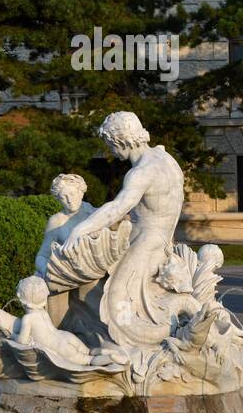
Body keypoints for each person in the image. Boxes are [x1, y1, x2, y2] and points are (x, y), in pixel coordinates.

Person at [61, 112, 186, 347]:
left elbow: (118, 208)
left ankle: (129, 354)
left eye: (110, 145)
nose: (112, 152)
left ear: (120, 140)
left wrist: (81, 229)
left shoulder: (141, 172)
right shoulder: (165, 158)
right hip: (162, 241)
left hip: (146, 245)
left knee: (116, 306)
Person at [34, 174, 95, 278]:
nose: (69, 200)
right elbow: (42, 256)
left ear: (81, 193)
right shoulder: (56, 221)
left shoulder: (95, 214)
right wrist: (49, 273)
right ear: (58, 199)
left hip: (97, 275)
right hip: (68, 278)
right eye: (63, 197)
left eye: (72, 194)